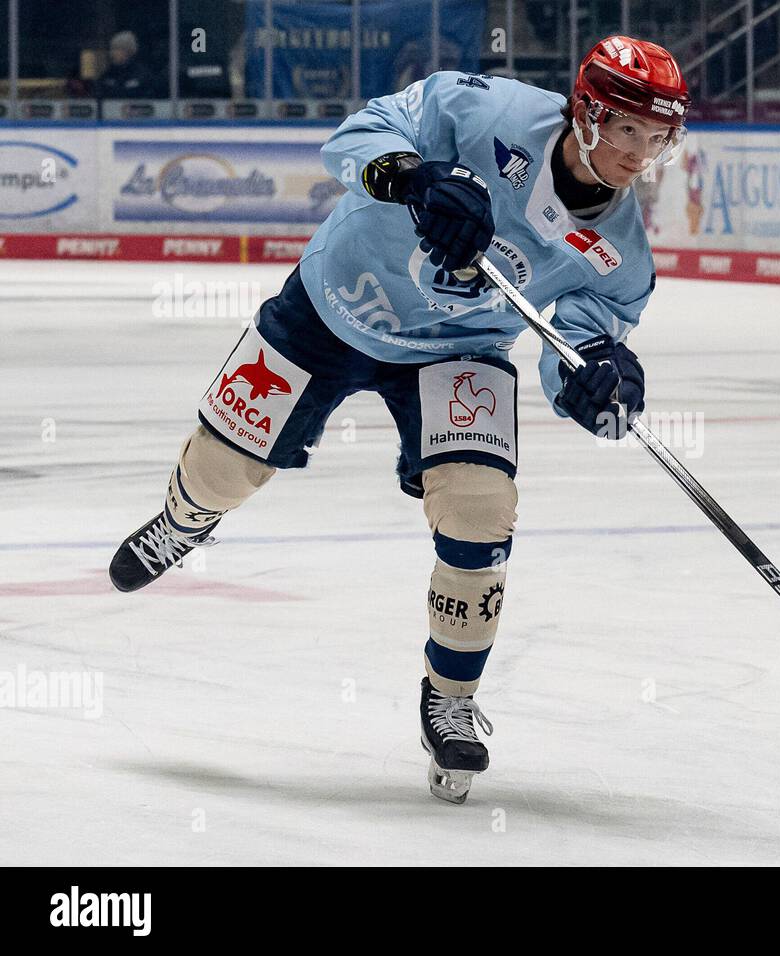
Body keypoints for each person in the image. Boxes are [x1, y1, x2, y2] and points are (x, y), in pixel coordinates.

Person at [108, 36, 690, 804]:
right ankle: (184, 521)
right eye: (625, 130)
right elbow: (356, 135)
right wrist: (413, 175)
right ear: (585, 112)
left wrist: (599, 378)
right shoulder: (483, 110)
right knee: (224, 468)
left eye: (656, 138)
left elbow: (582, 336)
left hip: (460, 348)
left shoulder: (621, 252)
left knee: (482, 514)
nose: (638, 155)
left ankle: (448, 698)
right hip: (336, 305)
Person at [97, 31, 160, 100]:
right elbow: (98, 95)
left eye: (116, 49)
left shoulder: (142, 74)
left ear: (128, 51)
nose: (112, 53)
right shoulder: (108, 74)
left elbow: (150, 100)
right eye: (111, 49)